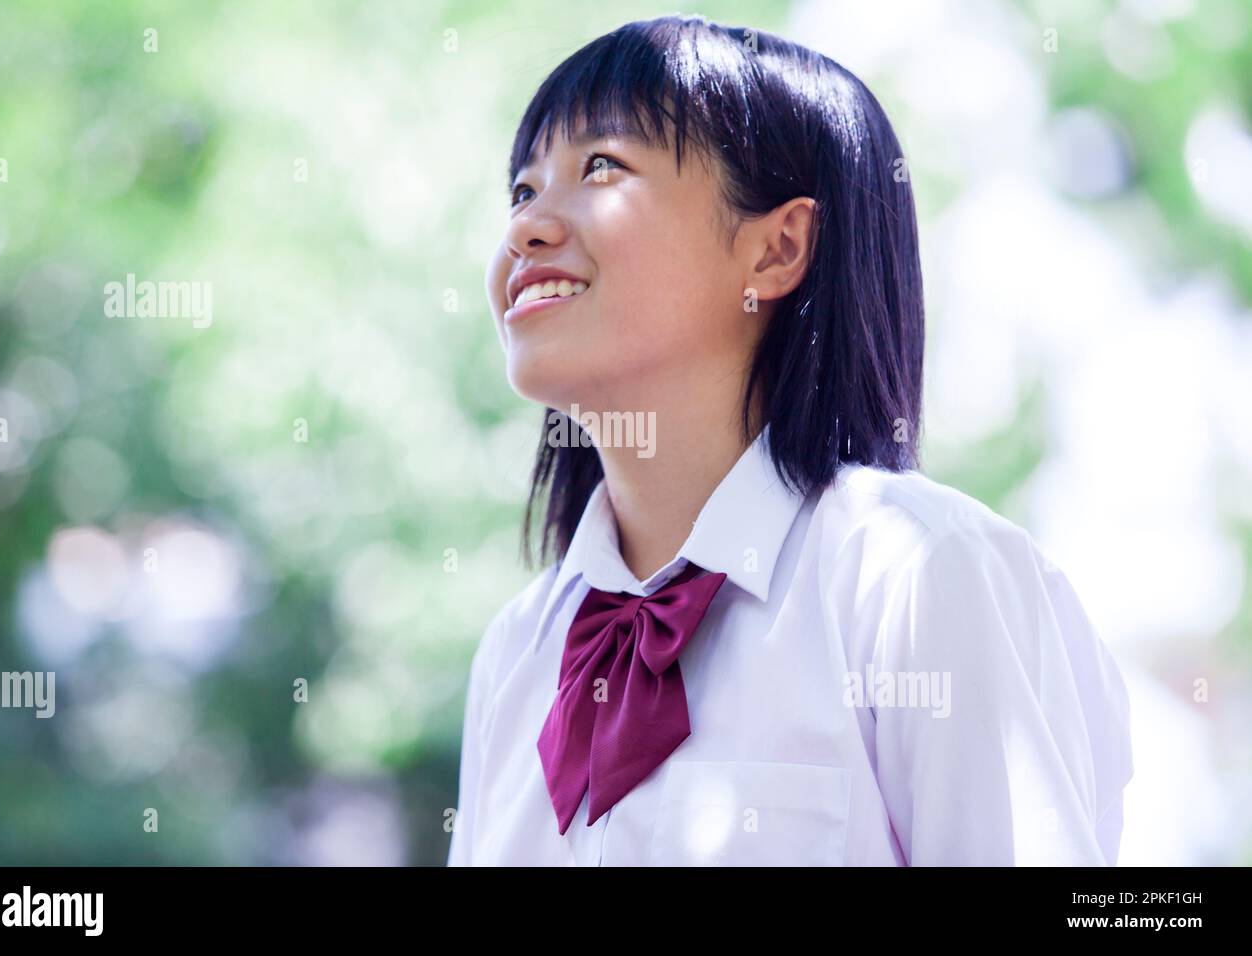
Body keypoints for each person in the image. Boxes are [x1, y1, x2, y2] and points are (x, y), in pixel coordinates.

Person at [447, 14, 1133, 866]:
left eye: (601, 167)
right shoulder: (519, 649)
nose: (525, 230)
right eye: (521, 191)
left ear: (776, 250)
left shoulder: (917, 577)